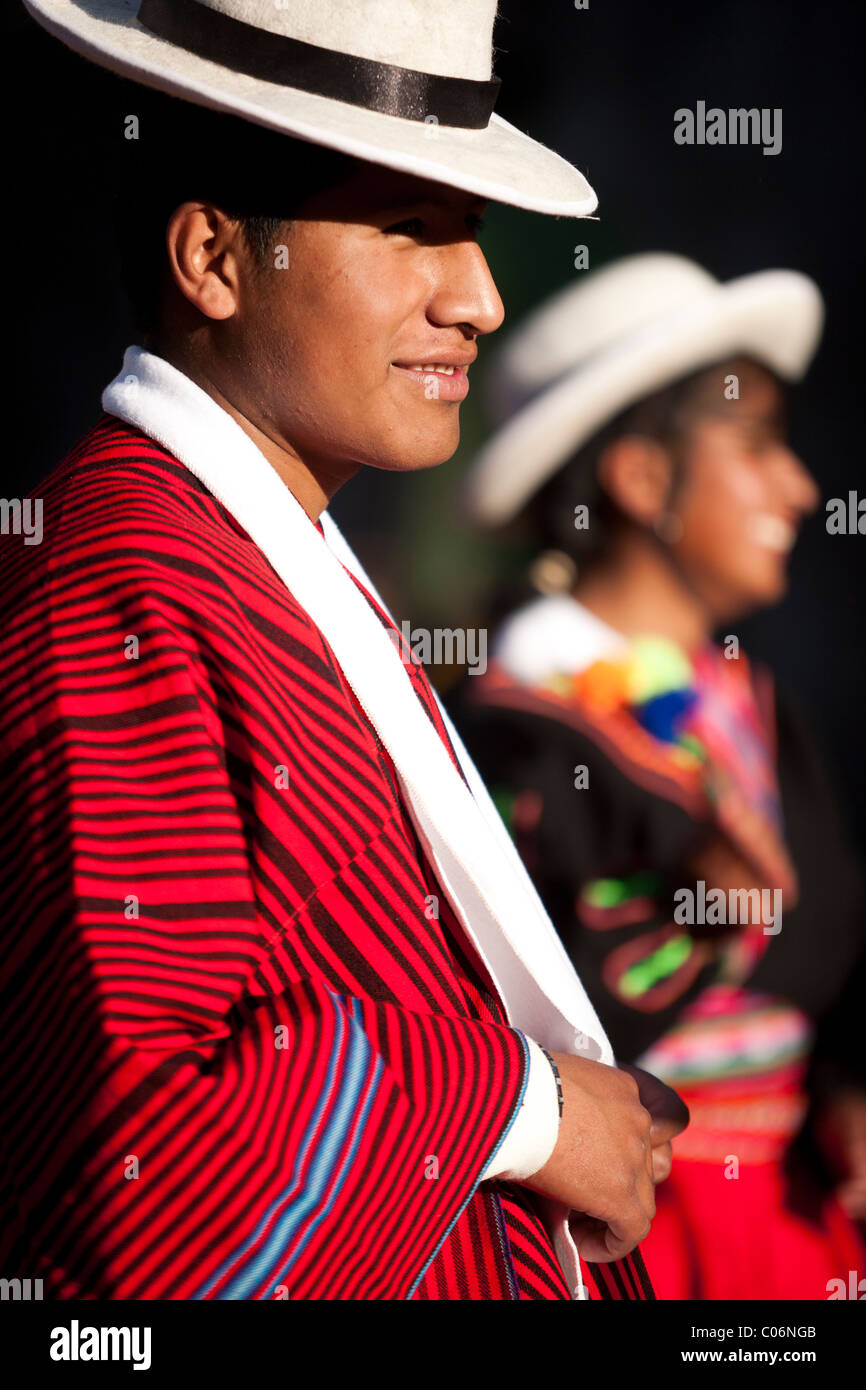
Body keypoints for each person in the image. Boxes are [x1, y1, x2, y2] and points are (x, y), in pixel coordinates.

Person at [0, 2, 685, 1301]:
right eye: (408, 225)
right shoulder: (119, 588)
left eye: (469, 231)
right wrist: (531, 1113)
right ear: (212, 255)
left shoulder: (265, 560)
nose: (475, 297)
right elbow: (142, 1157)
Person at [452, 252, 866, 1299]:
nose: (800, 486)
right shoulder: (517, 733)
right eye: (758, 446)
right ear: (639, 479)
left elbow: (828, 953)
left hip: (782, 1234)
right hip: (623, 1249)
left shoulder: (751, 710)